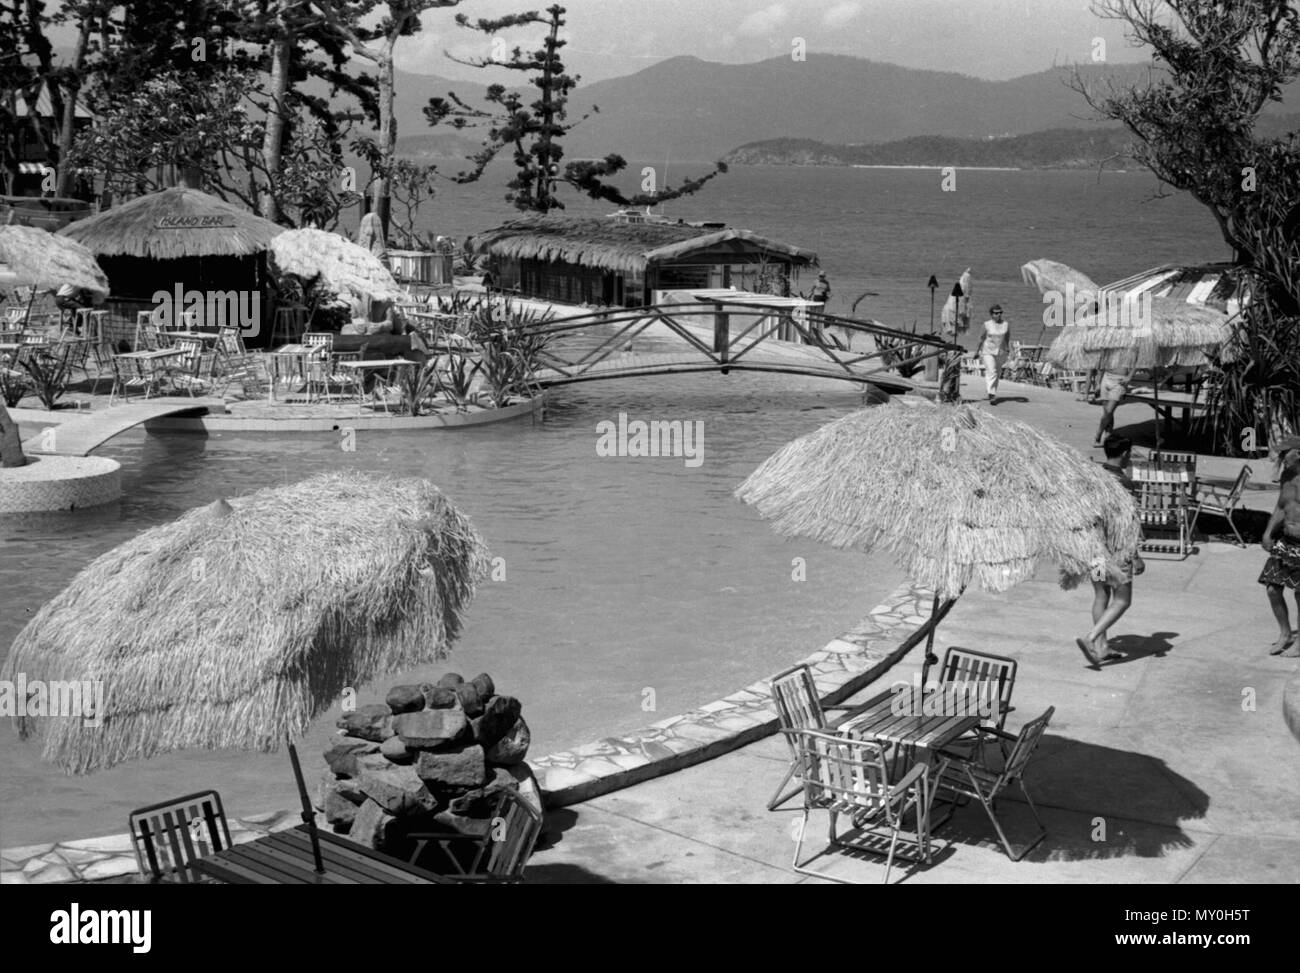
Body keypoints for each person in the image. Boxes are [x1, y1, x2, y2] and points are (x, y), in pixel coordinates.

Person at [1076, 434, 1139, 667]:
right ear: (1125, 454)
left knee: (1101, 595)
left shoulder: (1095, 476)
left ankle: (1102, 648)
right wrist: (1136, 555)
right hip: (1117, 552)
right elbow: (1127, 524)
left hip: (1095, 550)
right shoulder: (1123, 483)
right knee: (1123, 600)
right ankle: (1092, 637)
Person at [1261, 436, 1300, 657]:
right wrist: (1268, 532)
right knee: (1272, 589)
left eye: (1286, 453)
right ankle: (1285, 633)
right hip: (1285, 541)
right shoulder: (1286, 476)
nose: (1282, 458)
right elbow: (1281, 507)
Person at [1093, 367, 1134, 445]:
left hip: (1119, 380)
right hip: (1106, 377)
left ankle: (1098, 433)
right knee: (1107, 412)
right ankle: (1108, 436)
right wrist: (1098, 382)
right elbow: (1102, 364)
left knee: (1109, 411)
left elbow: (1138, 361)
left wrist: (1130, 376)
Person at [979, 304, 1010, 402]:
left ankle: (992, 392)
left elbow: (1007, 337)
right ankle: (991, 394)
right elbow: (981, 338)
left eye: (1000, 312)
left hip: (1001, 351)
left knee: (997, 372)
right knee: (992, 371)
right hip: (988, 351)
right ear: (991, 314)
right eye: (996, 313)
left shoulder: (1006, 324)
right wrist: (977, 351)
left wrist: (1008, 348)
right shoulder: (986, 324)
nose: (999, 315)